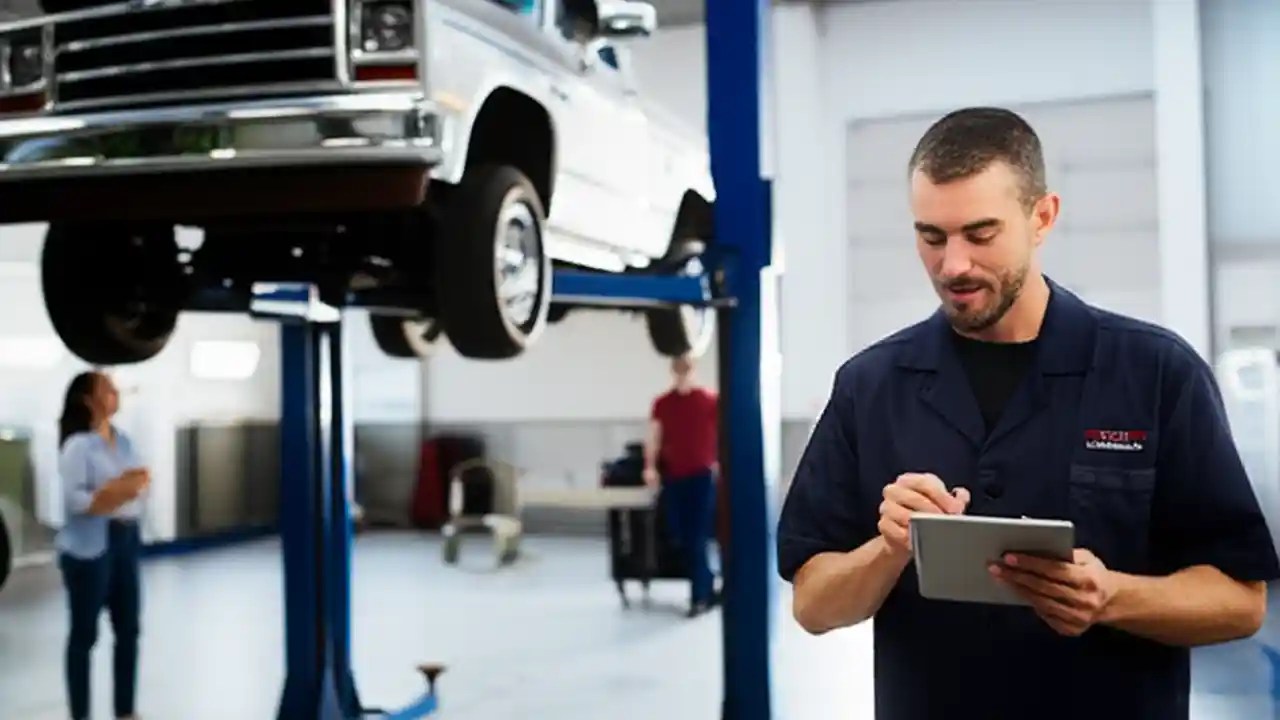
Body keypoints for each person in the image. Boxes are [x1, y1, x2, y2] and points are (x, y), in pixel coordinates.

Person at [776, 107, 1280, 720]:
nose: (952, 265)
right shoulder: (871, 386)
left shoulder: (1154, 374)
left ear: (1042, 217)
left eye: (980, 234)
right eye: (931, 237)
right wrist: (888, 550)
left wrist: (1112, 596)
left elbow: (1241, 600)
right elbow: (815, 605)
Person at [55, 371, 149, 720]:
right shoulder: (78, 445)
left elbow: (140, 483)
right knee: (84, 637)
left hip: (125, 541)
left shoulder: (123, 441)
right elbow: (75, 500)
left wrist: (120, 493)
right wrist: (113, 494)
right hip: (89, 548)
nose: (115, 392)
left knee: (129, 630)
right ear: (88, 400)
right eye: (106, 388)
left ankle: (125, 711)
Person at [644, 353, 719, 617]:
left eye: (686, 370)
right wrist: (650, 467)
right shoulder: (663, 404)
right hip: (675, 476)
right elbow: (654, 437)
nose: (682, 375)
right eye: (678, 370)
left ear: (693, 371)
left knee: (696, 537)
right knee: (681, 536)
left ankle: (699, 596)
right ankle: (707, 585)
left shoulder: (709, 401)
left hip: (701, 476)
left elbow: (722, 434)